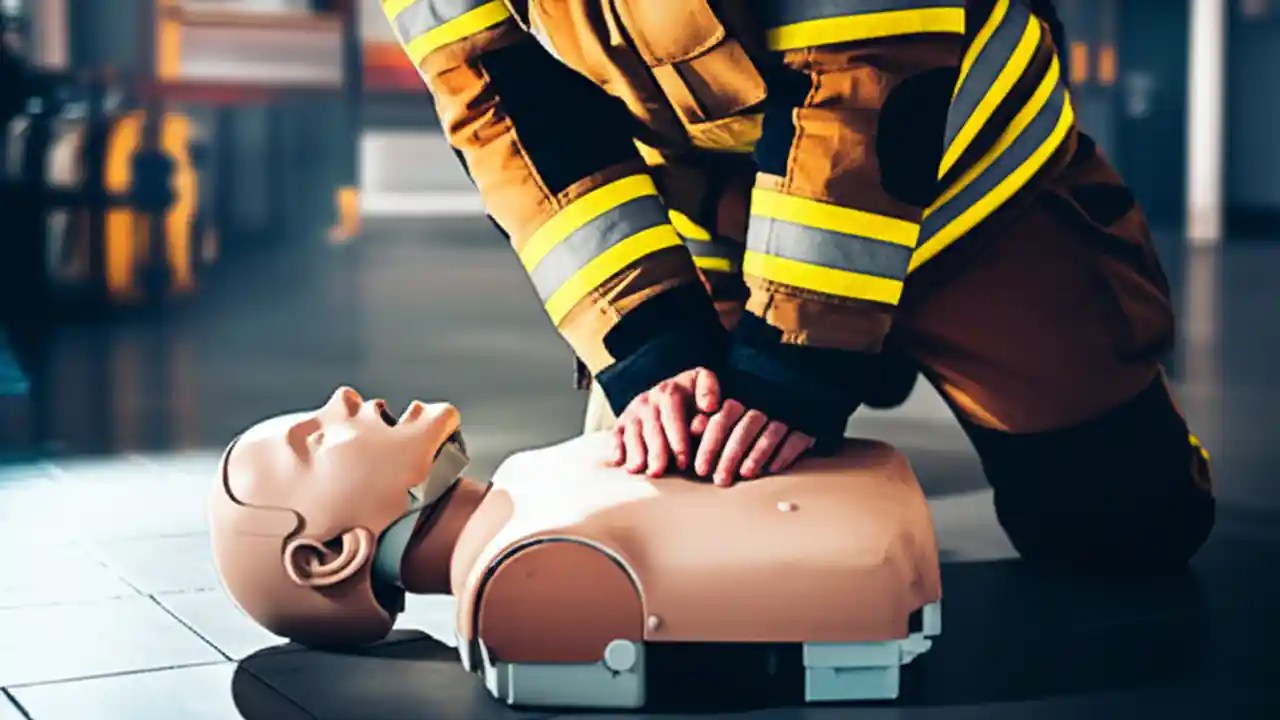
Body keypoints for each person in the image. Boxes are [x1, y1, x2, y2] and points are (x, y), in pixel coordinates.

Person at [378, 0, 1214, 572]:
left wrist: (792, 360)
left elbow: (865, 73)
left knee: (1121, 529)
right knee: (649, 531)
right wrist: (647, 346)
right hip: (725, 218)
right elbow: (506, 112)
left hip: (975, 192)